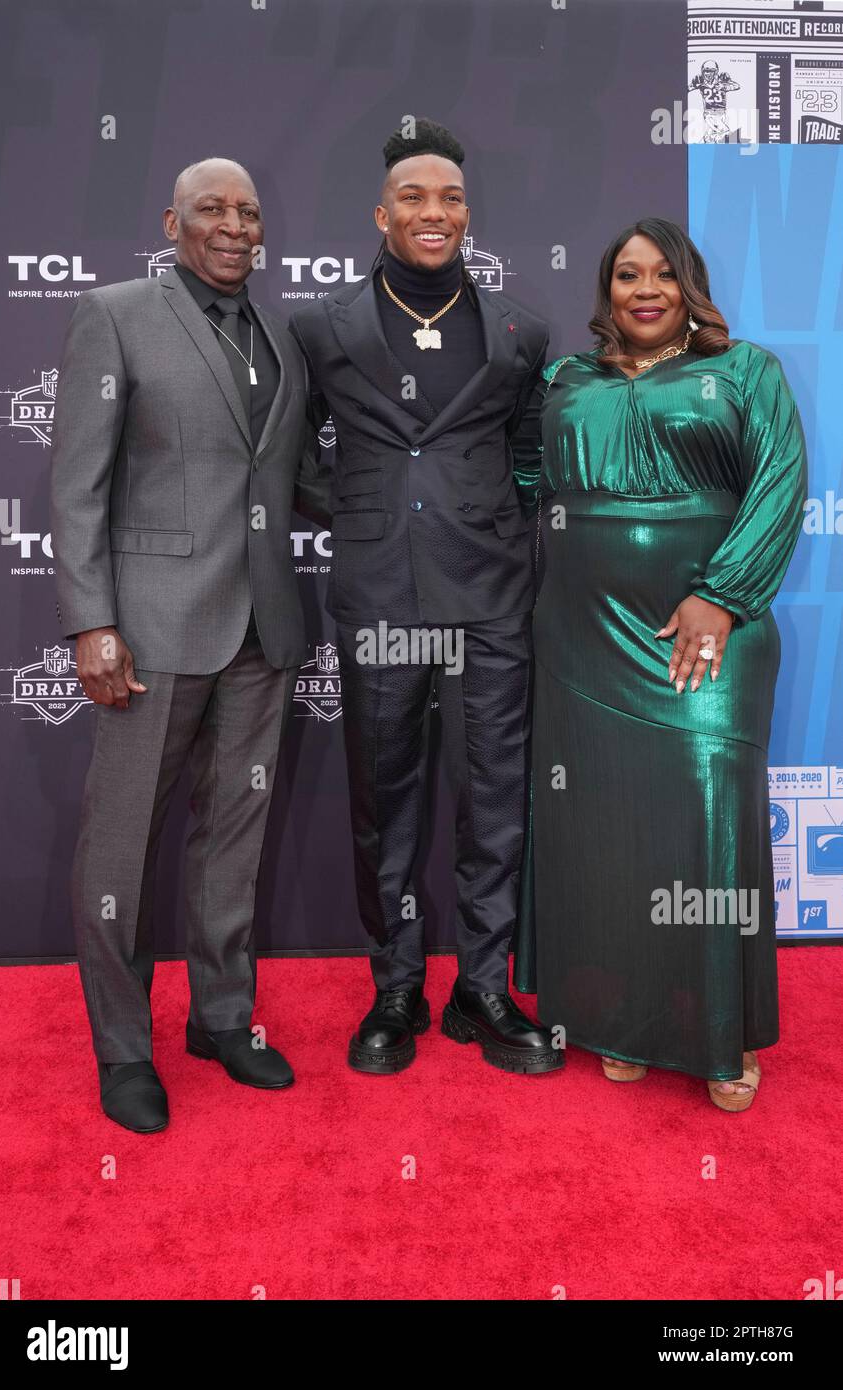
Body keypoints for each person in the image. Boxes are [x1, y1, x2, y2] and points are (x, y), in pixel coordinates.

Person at [512, 217, 807, 1111]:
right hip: (580, 632)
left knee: (706, 816)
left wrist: (719, 595)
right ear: (605, 291)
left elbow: (780, 481)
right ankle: (624, 1018)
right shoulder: (565, 378)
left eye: (663, 275)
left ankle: (718, 1032)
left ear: (690, 285)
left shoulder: (746, 371)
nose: (645, 289)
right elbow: (526, 480)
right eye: (627, 275)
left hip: (706, 627)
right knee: (606, 827)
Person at [51, 158, 316, 1132]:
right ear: (172, 221)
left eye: (248, 210)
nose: (235, 225)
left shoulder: (280, 334)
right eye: (213, 209)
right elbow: (78, 483)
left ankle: (221, 1018)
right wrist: (91, 620)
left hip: (262, 625)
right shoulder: (116, 313)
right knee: (122, 849)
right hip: (151, 628)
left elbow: (285, 479)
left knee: (230, 845)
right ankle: (124, 1048)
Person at [290, 119, 561, 1076]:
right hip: (380, 595)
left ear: (467, 216)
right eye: (414, 198)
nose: (432, 212)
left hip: (492, 595)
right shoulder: (323, 327)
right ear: (382, 213)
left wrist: (485, 517)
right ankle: (397, 986)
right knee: (386, 793)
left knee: (494, 795)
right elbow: (287, 456)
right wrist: (369, 511)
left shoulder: (521, 332)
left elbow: (530, 458)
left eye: (448, 198)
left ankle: (482, 989)